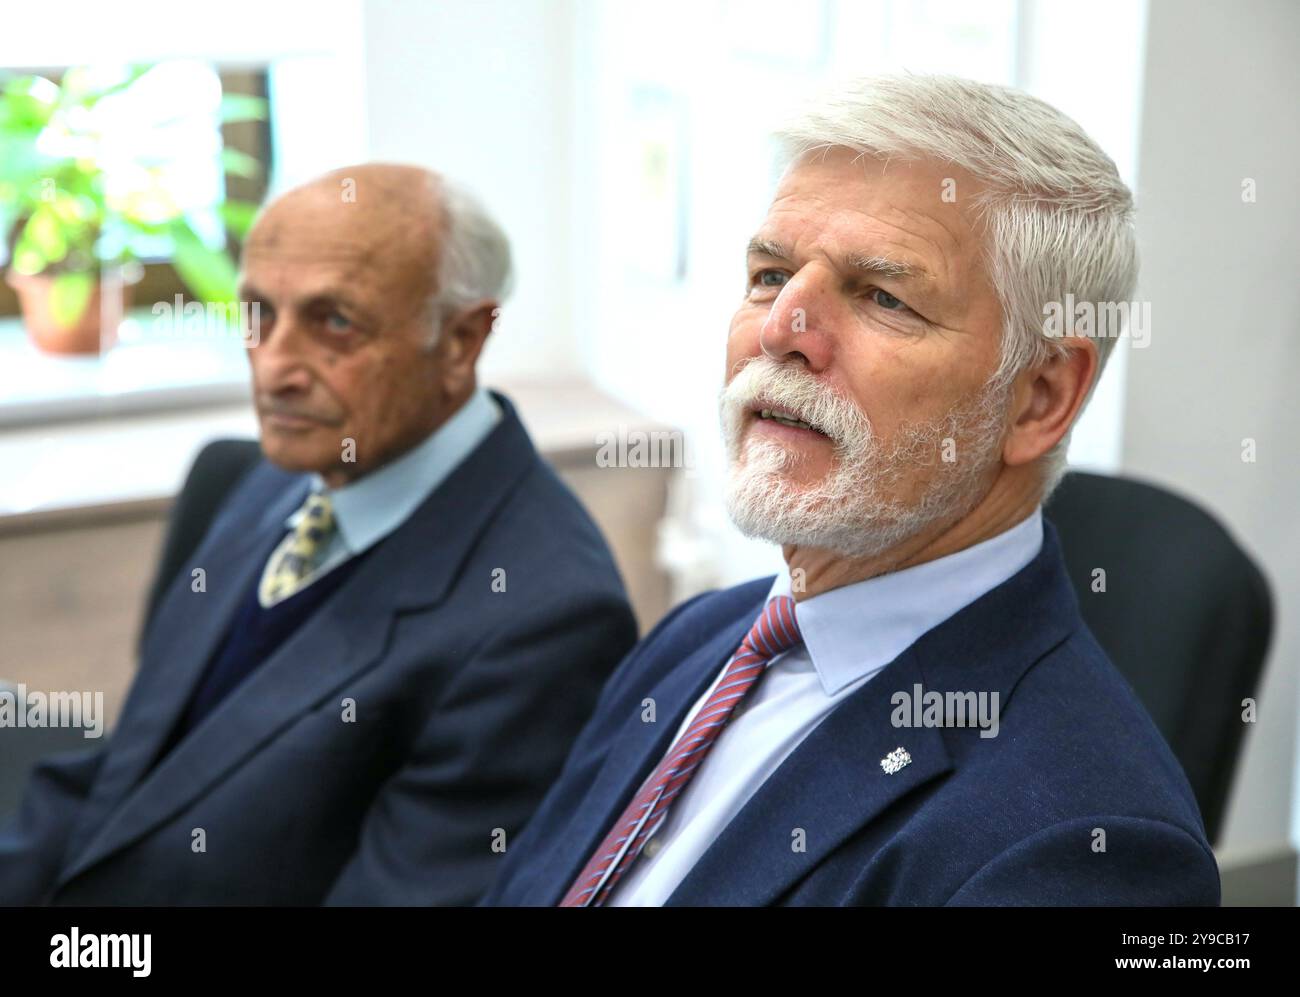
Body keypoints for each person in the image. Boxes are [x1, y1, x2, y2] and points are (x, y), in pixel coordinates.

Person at [482, 76, 1220, 906]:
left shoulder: (1081, 845)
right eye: (770, 274)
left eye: (882, 297)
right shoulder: (702, 638)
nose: (779, 330)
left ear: (1041, 395)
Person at [0, 163, 638, 905]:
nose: (273, 368)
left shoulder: (544, 621)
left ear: (461, 341)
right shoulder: (286, 469)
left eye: (334, 321)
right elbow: (121, 773)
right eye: (258, 314)